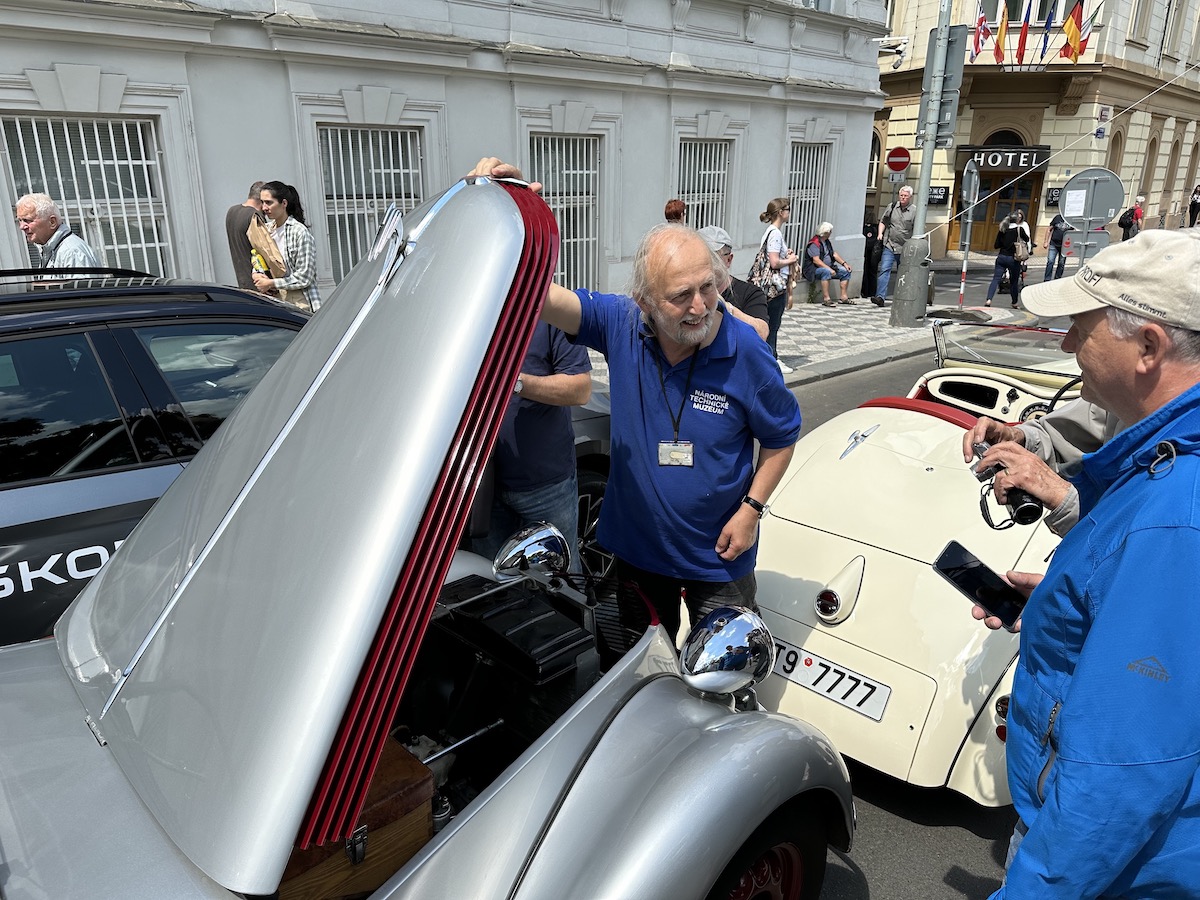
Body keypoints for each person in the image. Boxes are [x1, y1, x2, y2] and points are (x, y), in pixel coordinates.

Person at [472, 155, 801, 646]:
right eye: (681, 295)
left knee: (723, 686)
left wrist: (751, 509)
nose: (700, 307)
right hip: (636, 555)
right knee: (634, 683)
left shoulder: (746, 349)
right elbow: (532, 296)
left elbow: (781, 438)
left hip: (720, 558)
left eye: (708, 287)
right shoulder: (622, 324)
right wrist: (494, 213)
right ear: (645, 301)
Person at [974, 229, 1200, 898]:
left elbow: (1122, 771)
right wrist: (1066, 604)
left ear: (1149, 348)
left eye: (1083, 327)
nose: (1069, 346)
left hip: (1123, 870)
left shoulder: (1173, 514)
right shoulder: (1164, 465)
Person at [472, 322, 592, 571]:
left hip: (545, 485)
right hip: (479, 483)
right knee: (489, 583)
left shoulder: (549, 313)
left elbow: (580, 389)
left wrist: (514, 382)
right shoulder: (467, 307)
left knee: (560, 582)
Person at [963, 398, 1123, 536]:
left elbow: (1136, 549)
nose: (1078, 361)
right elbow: (1059, 438)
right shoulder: (1117, 395)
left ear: (1146, 361)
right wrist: (1018, 439)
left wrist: (1062, 499)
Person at [252, 181, 322, 312]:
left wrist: (271, 283)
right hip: (274, 299)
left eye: (269, 202)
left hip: (299, 299)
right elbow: (257, 259)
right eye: (262, 202)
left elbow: (304, 277)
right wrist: (258, 275)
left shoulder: (299, 232)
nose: (264, 207)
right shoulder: (266, 231)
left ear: (284, 203)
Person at [697, 225, 769, 340]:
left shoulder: (750, 293)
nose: (705, 264)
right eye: (698, 258)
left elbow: (761, 333)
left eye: (713, 258)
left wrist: (726, 308)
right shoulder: (690, 293)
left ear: (728, 260)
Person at [757, 198, 800, 374]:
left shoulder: (770, 232)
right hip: (774, 287)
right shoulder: (775, 233)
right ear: (781, 212)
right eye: (788, 209)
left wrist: (786, 253)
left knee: (770, 323)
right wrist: (791, 259)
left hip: (770, 286)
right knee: (773, 324)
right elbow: (774, 262)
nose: (790, 212)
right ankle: (772, 359)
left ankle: (767, 357)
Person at [15, 193, 99, 269]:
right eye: (20, 220)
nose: (22, 227)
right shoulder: (51, 250)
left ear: (52, 222)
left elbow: (83, 286)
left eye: (28, 220)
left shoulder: (71, 252)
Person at [873, 185, 916, 306]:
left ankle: (903, 298)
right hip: (890, 245)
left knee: (904, 274)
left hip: (905, 248)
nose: (903, 198)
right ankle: (880, 297)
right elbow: (883, 221)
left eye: (905, 196)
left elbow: (918, 229)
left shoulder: (914, 211)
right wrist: (880, 233)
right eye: (901, 195)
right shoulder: (892, 207)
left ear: (910, 197)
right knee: (884, 269)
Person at [802, 221, 854, 306]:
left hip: (828, 267)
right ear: (825, 232)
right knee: (825, 272)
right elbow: (816, 260)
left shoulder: (826, 242)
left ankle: (844, 297)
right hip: (813, 269)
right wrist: (829, 269)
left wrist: (844, 264)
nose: (831, 233)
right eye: (830, 231)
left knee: (845, 272)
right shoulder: (814, 243)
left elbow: (833, 254)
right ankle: (826, 299)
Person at [225, 181, 266, 290]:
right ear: (262, 199)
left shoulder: (232, 211)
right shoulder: (254, 216)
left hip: (242, 280)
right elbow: (265, 249)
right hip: (259, 282)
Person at [985, 210, 1029, 308]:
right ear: (1017, 220)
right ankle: (1014, 302)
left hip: (1001, 257)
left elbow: (996, 245)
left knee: (995, 279)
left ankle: (989, 299)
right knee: (1014, 281)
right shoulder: (1019, 229)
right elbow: (1027, 239)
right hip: (1013, 258)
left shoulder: (1003, 229)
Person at [1042, 211, 1074, 281]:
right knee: (1050, 261)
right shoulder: (1057, 217)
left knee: (1061, 263)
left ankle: (1057, 279)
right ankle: (1047, 279)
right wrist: (1046, 242)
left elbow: (1074, 233)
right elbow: (1049, 229)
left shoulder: (1071, 219)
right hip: (1054, 244)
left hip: (1065, 246)